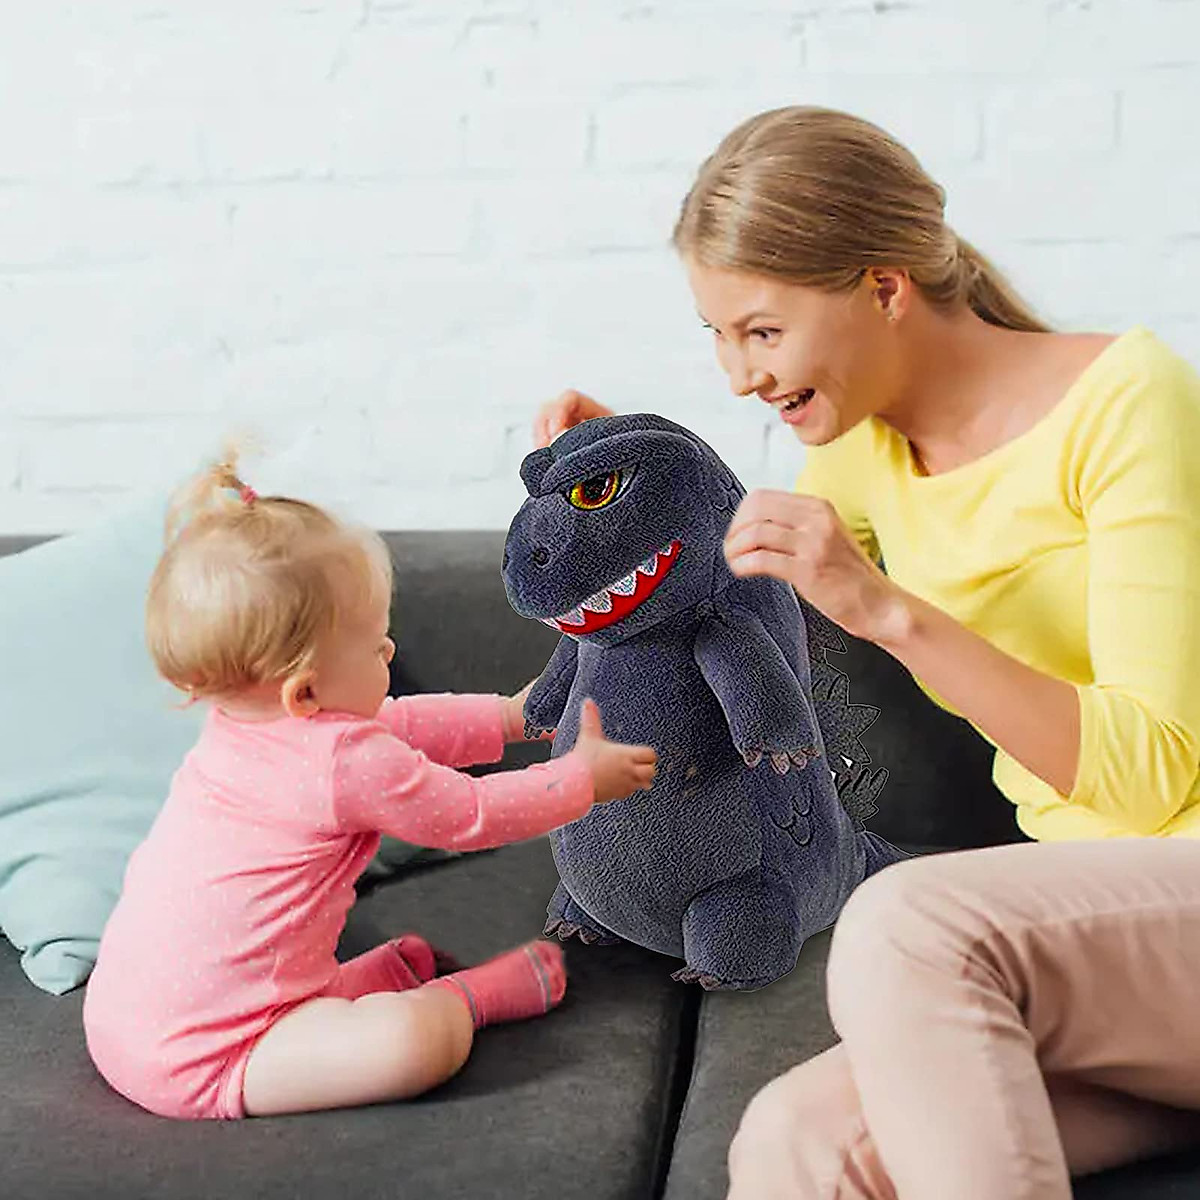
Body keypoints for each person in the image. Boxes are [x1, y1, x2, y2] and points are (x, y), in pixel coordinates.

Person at [534, 105, 1200, 1199]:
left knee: (905, 917)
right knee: (791, 1140)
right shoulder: (862, 453)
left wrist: (888, 609)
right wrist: (634, 483)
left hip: (1174, 888)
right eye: (717, 336)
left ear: (884, 288)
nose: (738, 375)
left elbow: (1154, 775)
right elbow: (731, 584)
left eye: (761, 331)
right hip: (1102, 952)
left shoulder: (1130, 401)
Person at [83, 453, 656, 1120]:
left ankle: (366, 982)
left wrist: (509, 717)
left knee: (303, 988)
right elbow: (471, 813)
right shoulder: (338, 763)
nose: (389, 652)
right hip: (212, 1057)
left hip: (122, 1021)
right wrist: (579, 781)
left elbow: (398, 723)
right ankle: (464, 997)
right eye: (375, 643)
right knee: (414, 1045)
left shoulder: (243, 729)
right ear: (304, 692)